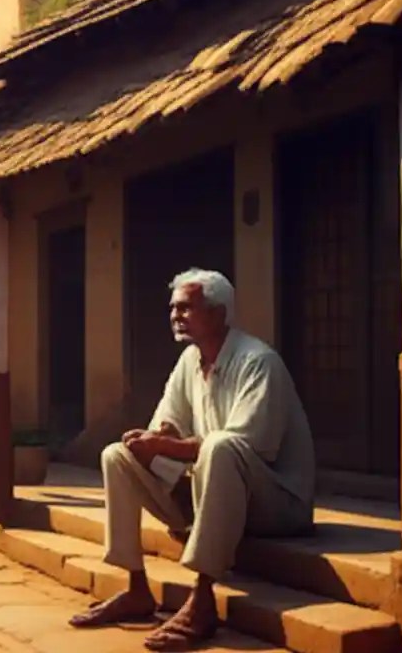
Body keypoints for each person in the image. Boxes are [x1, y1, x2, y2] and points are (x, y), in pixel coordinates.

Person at [67, 268, 315, 651]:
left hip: (277, 505)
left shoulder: (259, 361)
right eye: (173, 309)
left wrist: (167, 446)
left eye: (186, 308)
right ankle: (136, 587)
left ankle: (202, 599)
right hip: (220, 497)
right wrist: (154, 439)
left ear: (218, 313)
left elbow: (251, 446)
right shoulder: (188, 361)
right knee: (117, 454)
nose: (175, 316)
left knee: (220, 446)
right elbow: (170, 425)